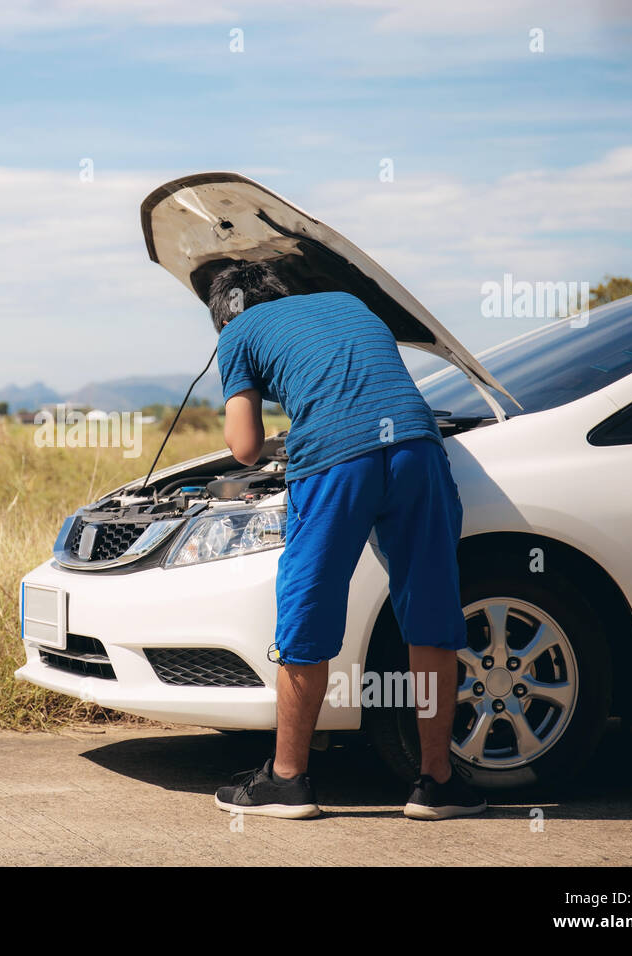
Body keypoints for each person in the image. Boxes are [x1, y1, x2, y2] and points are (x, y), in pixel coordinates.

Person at [209, 260, 487, 821]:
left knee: (308, 610)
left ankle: (287, 781)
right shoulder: (347, 302)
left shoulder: (237, 333)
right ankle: (437, 783)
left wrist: (284, 437)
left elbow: (242, 447)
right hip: (417, 447)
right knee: (431, 611)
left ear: (225, 313)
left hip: (337, 463)